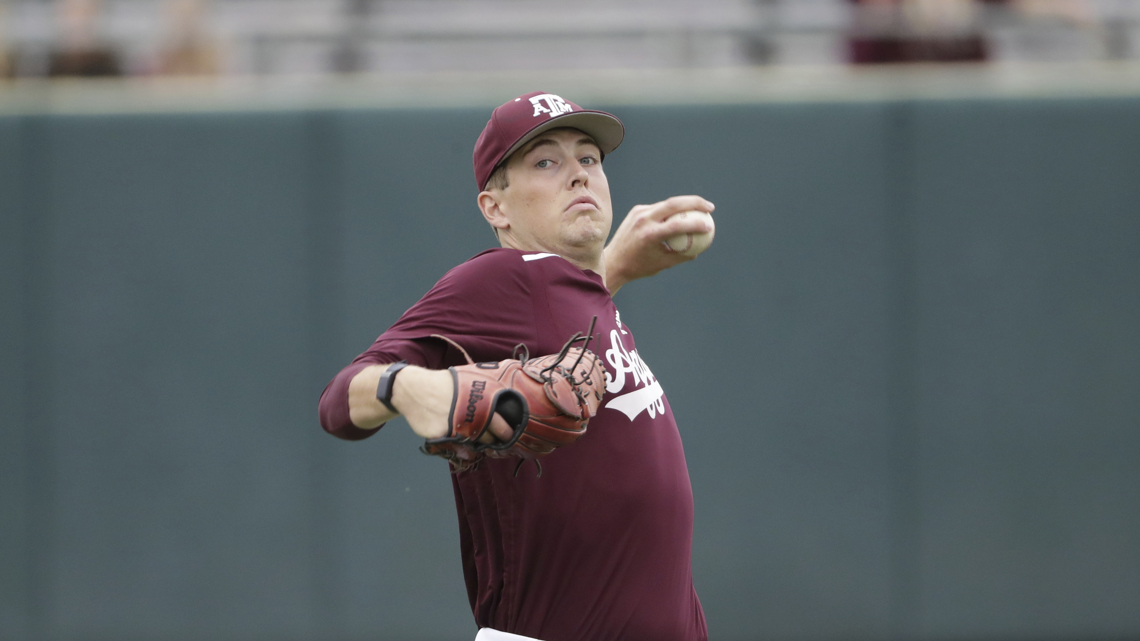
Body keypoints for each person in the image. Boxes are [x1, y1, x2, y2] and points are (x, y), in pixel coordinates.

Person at [319, 91, 715, 641]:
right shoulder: (502, 278)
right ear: (495, 208)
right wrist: (409, 387)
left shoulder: (582, 292)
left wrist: (614, 268)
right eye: (546, 162)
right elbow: (339, 400)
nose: (578, 175)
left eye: (589, 158)